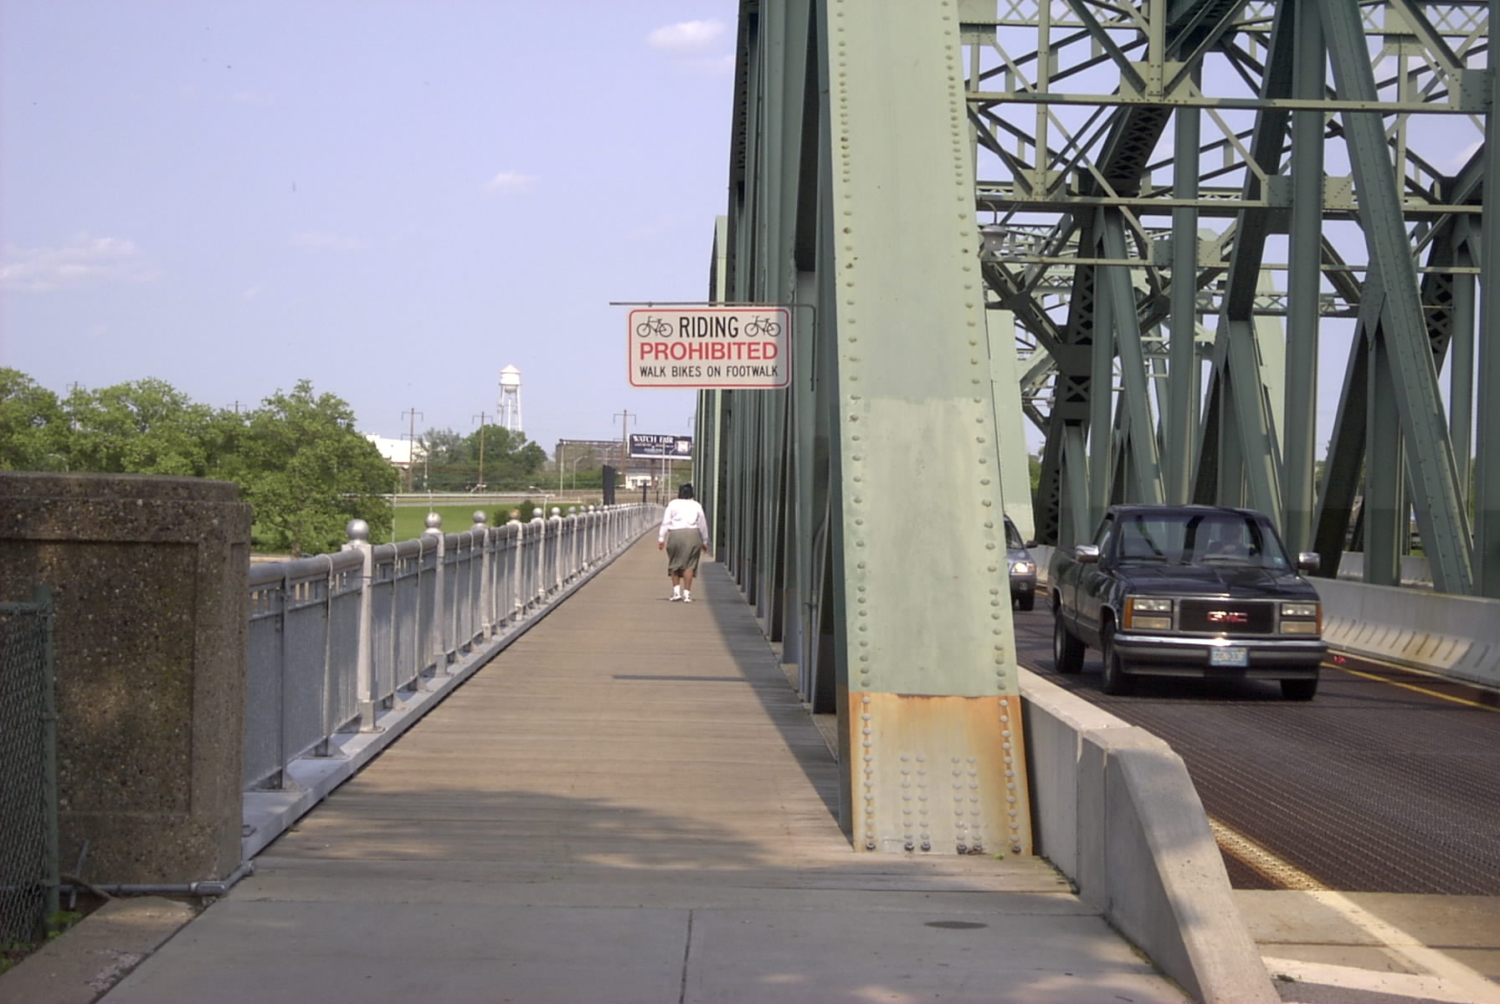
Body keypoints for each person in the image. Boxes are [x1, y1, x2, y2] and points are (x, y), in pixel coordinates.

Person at [658, 483, 710, 602]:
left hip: (676, 534)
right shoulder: (696, 505)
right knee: (690, 565)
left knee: (675, 563)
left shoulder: (673, 504)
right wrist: (705, 540)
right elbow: (702, 524)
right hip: (693, 534)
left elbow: (666, 522)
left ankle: (676, 592)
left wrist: (661, 538)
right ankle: (687, 593)